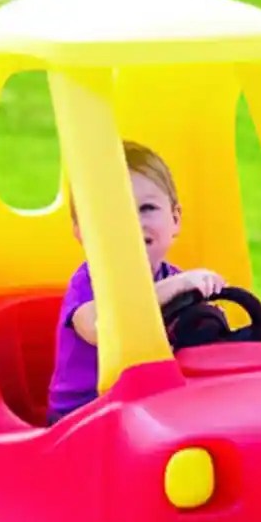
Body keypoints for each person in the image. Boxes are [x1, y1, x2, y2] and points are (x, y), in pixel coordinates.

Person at [46, 141, 226, 424]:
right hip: (82, 419)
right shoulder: (89, 281)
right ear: (82, 231)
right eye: (114, 212)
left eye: (147, 208)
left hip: (151, 407)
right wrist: (175, 287)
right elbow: (99, 328)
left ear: (175, 219)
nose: (131, 222)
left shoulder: (175, 279)